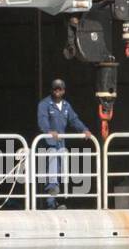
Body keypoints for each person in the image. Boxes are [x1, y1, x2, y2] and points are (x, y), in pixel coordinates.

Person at [36, 78, 91, 209]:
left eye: (60, 89)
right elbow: (42, 120)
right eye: (55, 89)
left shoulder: (66, 106)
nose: (57, 91)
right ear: (52, 90)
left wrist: (84, 129)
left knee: (59, 171)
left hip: (61, 143)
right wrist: (49, 130)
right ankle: (49, 202)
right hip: (48, 144)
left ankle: (53, 203)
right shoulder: (44, 104)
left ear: (63, 91)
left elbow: (74, 119)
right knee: (51, 171)